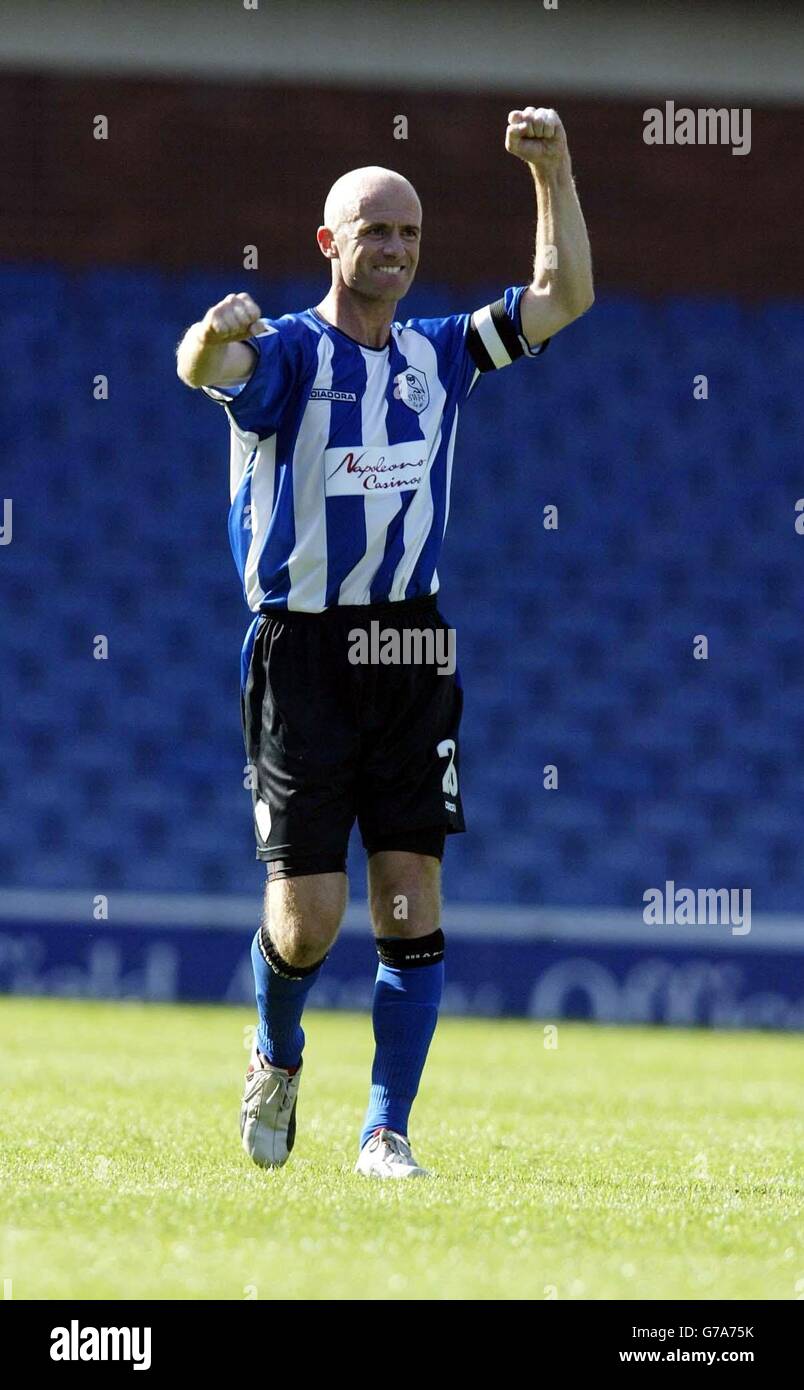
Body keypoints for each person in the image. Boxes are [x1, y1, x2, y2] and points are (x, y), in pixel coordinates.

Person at [176, 107, 593, 1178]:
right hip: (301, 654)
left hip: (410, 650)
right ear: (330, 244)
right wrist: (216, 334)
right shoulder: (289, 358)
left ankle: (386, 1129)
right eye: (375, 233)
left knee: (409, 895)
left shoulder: (439, 355)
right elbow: (201, 369)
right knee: (310, 920)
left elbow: (564, 298)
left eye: (409, 233)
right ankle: (276, 1051)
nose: (397, 251)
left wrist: (551, 172)